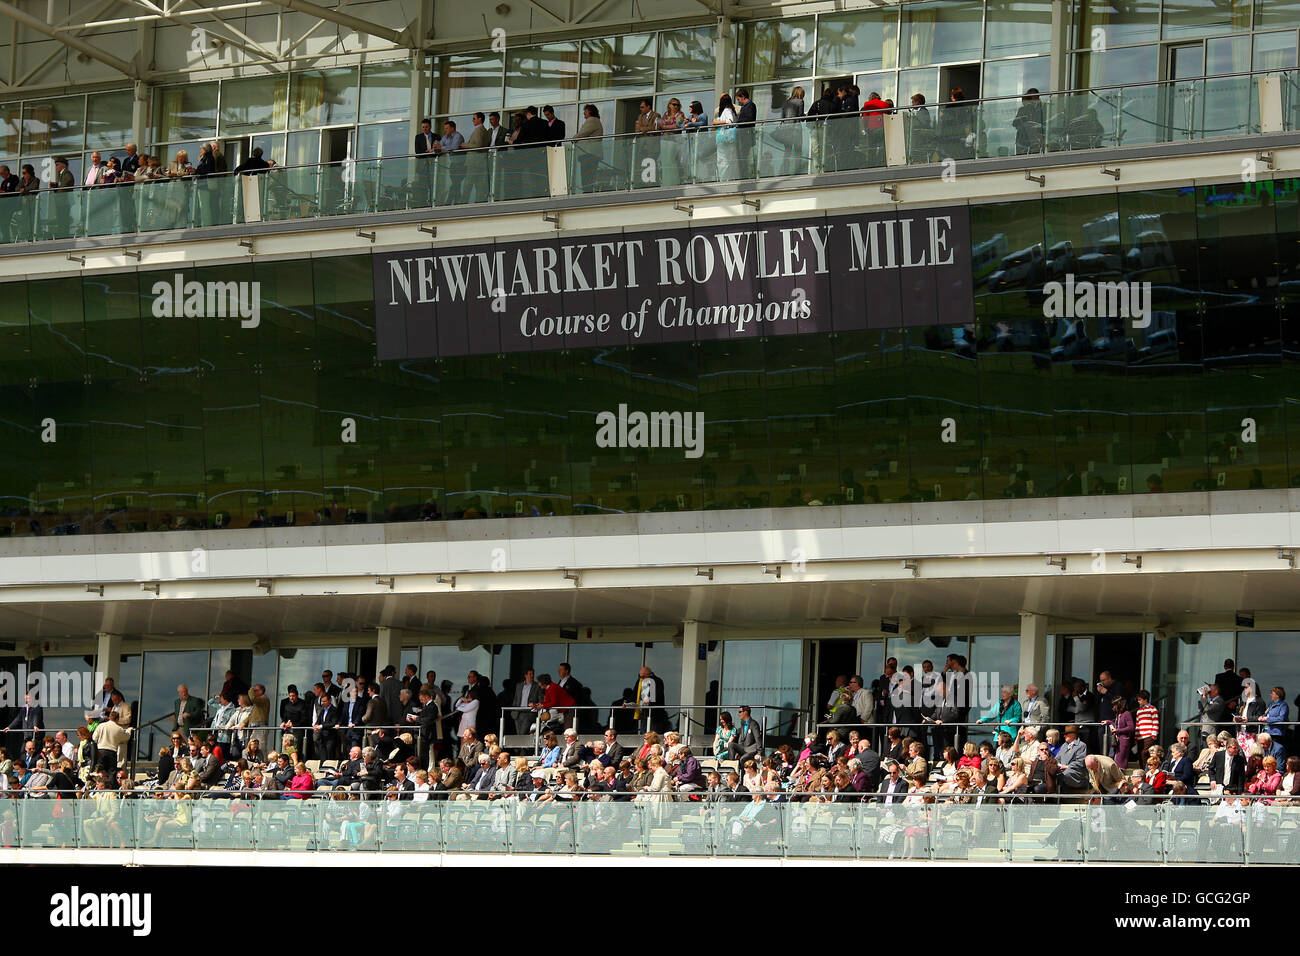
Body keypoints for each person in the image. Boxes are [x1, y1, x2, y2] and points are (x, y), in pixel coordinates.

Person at [573, 103, 604, 193]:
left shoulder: (592, 120)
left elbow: (583, 133)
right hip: (591, 154)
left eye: (585, 111)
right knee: (589, 177)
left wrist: (573, 139)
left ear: (590, 111)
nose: (584, 113)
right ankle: (587, 191)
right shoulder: (596, 120)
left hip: (589, 154)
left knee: (586, 177)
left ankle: (586, 193)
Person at [1012, 88, 1044, 155]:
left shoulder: (1043, 108)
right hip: (1022, 139)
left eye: (1035, 97)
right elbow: (1014, 123)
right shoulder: (1022, 109)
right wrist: (1022, 119)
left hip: (1037, 139)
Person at [733, 87, 757, 177]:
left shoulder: (750, 105)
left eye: (739, 99)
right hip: (743, 136)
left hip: (746, 136)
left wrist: (738, 123)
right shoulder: (746, 106)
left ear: (743, 97)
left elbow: (749, 119)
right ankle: (743, 174)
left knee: (744, 156)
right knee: (743, 156)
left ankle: (745, 174)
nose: (738, 101)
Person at [1106, 696, 1134, 770]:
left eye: (1114, 705)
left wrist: (1117, 731)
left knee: (1120, 761)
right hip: (1117, 741)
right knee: (1115, 759)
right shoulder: (1118, 715)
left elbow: (1131, 727)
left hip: (1124, 740)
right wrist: (1109, 722)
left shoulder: (1127, 714)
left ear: (1119, 705)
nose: (1113, 707)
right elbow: (1117, 726)